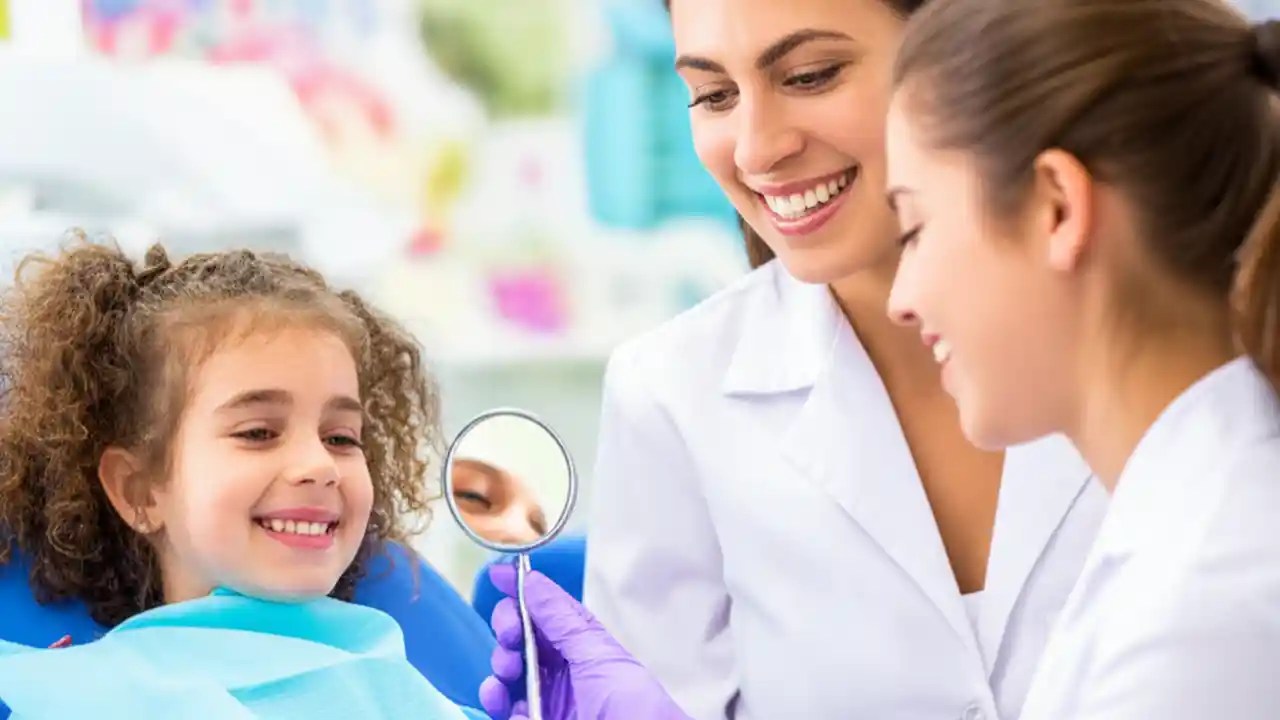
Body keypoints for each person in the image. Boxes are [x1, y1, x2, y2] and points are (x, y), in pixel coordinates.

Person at [583, 1, 1107, 718]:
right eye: (714, 96)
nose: (755, 150)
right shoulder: (670, 394)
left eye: (811, 75)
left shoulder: (1177, 335)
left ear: (972, 47)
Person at [882, 1, 1280, 716]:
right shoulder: (1190, 533)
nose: (901, 299)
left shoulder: (1200, 612)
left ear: (1057, 207)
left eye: (913, 228)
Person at [0, 238, 485, 718]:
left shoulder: (414, 696)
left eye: (341, 438)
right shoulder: (77, 702)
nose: (319, 466)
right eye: (258, 432)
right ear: (139, 489)